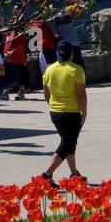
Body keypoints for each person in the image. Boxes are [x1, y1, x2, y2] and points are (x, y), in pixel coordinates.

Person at [40, 40, 88, 182]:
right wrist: (84, 113)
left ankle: (74, 173)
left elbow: (46, 93)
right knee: (66, 144)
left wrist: (52, 106)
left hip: (55, 112)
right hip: (71, 112)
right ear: (71, 54)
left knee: (69, 142)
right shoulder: (76, 70)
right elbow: (81, 95)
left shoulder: (49, 70)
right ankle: (47, 174)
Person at [2, 25, 30, 101]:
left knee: (20, 77)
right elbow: (6, 47)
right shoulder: (8, 36)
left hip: (19, 60)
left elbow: (21, 47)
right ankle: (5, 92)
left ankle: (21, 93)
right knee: (8, 76)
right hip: (9, 59)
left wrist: (11, 53)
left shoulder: (20, 35)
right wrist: (5, 54)